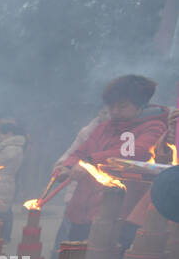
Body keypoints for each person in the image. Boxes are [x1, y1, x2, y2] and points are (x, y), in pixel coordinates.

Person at [55, 74, 169, 242]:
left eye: (122, 106)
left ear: (140, 106)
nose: (115, 111)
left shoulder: (154, 126)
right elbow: (80, 152)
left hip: (115, 214)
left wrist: (90, 161)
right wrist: (67, 167)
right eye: (111, 106)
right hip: (80, 210)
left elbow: (135, 153)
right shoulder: (104, 127)